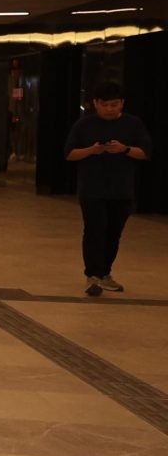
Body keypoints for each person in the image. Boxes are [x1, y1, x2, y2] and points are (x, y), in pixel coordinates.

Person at [64, 78, 152, 296]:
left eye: (114, 104)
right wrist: (92, 150)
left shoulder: (133, 124)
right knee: (94, 230)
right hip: (92, 189)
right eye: (105, 104)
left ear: (122, 103)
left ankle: (105, 273)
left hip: (122, 190)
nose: (110, 109)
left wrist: (124, 149)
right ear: (95, 103)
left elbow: (145, 153)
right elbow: (69, 154)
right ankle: (92, 275)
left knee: (114, 233)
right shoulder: (84, 124)